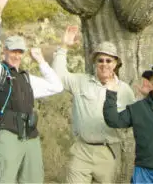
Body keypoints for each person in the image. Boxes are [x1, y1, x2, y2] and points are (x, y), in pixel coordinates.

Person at [0, 0, 63, 183]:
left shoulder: (27, 79)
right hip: (7, 135)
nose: (16, 55)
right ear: (5, 51)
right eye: (13, 51)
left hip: (30, 136)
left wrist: (41, 61)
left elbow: (56, 87)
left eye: (20, 52)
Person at [51, 24, 136, 183]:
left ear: (116, 63)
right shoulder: (81, 82)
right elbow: (58, 76)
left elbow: (134, 119)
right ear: (95, 63)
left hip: (108, 151)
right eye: (100, 60)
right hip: (81, 150)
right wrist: (63, 47)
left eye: (108, 60)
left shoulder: (124, 90)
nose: (104, 64)